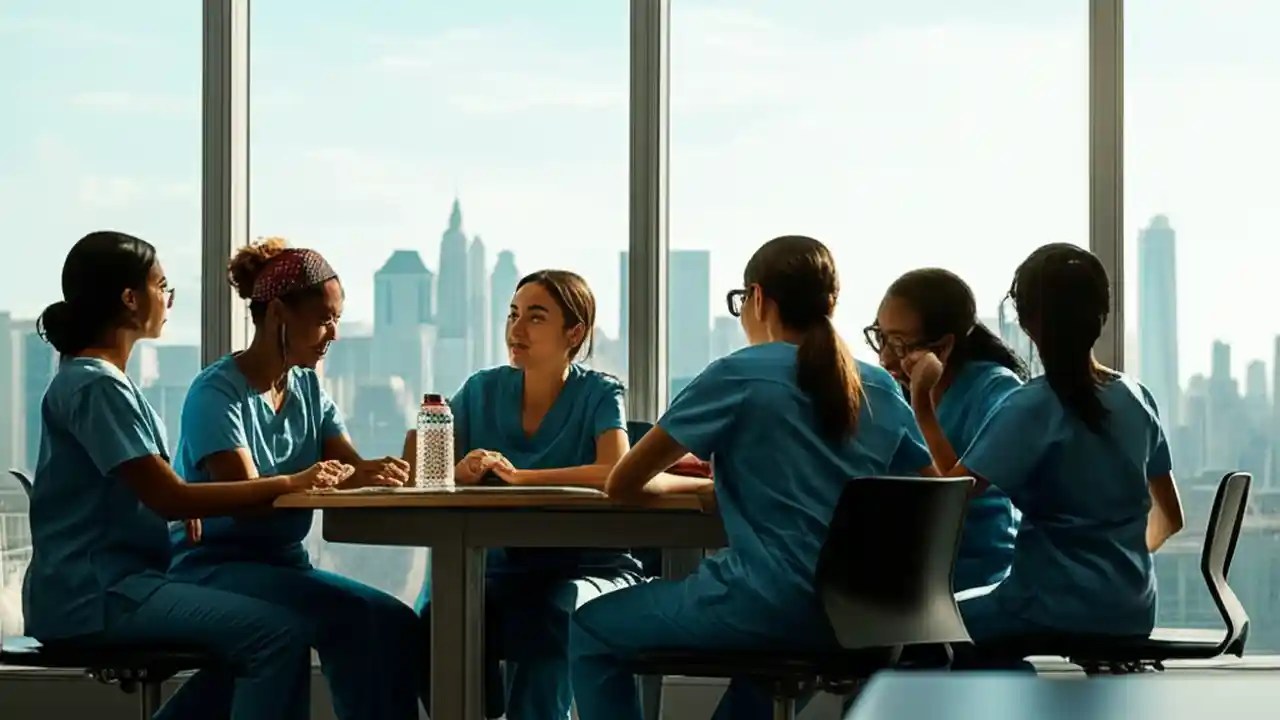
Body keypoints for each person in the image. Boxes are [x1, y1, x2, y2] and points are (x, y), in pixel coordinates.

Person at [568, 236, 937, 720]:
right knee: (769, 661)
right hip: (861, 618)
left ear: (758, 299)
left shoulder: (739, 374)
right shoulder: (879, 384)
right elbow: (931, 493)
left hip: (764, 604)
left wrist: (705, 488)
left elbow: (623, 482)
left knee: (590, 630)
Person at [23, 231, 346, 720]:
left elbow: (160, 493)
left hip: (123, 585)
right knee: (277, 636)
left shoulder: (103, 381)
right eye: (162, 286)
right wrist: (292, 482)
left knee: (251, 642)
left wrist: (181, 505)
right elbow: (170, 496)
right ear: (130, 299)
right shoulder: (95, 385)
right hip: (97, 597)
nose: (168, 299)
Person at [168, 238, 421, 720]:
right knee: (348, 618)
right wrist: (314, 479)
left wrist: (383, 470)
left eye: (338, 320)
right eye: (325, 319)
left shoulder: (307, 387)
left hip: (284, 566)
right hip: (213, 569)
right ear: (279, 313)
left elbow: (345, 469)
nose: (334, 334)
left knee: (393, 620)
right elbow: (244, 498)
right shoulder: (217, 393)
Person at [902, 243, 1185, 645]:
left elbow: (953, 496)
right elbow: (1171, 518)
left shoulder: (1029, 407)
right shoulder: (1136, 398)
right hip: (1132, 611)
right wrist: (1114, 576)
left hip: (1043, 608)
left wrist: (922, 403)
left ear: (1029, 324)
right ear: (1101, 316)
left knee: (914, 630)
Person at [413, 270, 644, 720]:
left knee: (553, 615)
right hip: (504, 573)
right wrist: (458, 471)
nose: (515, 330)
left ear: (573, 332)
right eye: (513, 314)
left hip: (592, 571)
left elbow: (615, 468)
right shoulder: (482, 389)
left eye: (535, 318)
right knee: (435, 622)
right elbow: (422, 466)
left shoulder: (599, 393)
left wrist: (523, 477)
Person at [866, 268, 1027, 591]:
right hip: (908, 568)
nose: (885, 357)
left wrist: (922, 405)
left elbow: (954, 493)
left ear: (942, 348)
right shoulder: (891, 390)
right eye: (880, 337)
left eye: (899, 344)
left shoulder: (995, 390)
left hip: (973, 574)